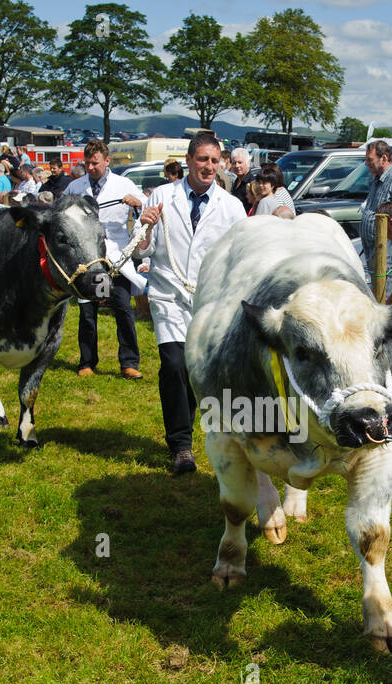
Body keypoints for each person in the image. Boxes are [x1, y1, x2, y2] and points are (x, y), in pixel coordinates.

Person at [135, 134, 247, 474]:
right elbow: (142, 251)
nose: (208, 167)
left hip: (209, 302)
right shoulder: (162, 196)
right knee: (173, 364)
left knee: (195, 371)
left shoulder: (231, 207)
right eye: (202, 160)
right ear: (188, 160)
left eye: (214, 161)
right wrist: (145, 227)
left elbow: (239, 257)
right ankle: (181, 446)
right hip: (169, 295)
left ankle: (185, 430)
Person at [64, 139, 146, 380]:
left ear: (107, 161)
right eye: (87, 163)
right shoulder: (75, 188)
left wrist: (138, 203)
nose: (90, 168)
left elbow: (145, 213)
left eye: (95, 163)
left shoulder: (125, 185)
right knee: (87, 311)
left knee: (122, 308)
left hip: (115, 255)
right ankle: (87, 361)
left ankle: (129, 362)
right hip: (86, 257)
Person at [360, 140, 392, 269]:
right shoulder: (377, 180)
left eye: (370, 159)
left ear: (384, 158)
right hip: (373, 251)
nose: (366, 163)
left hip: (387, 254)